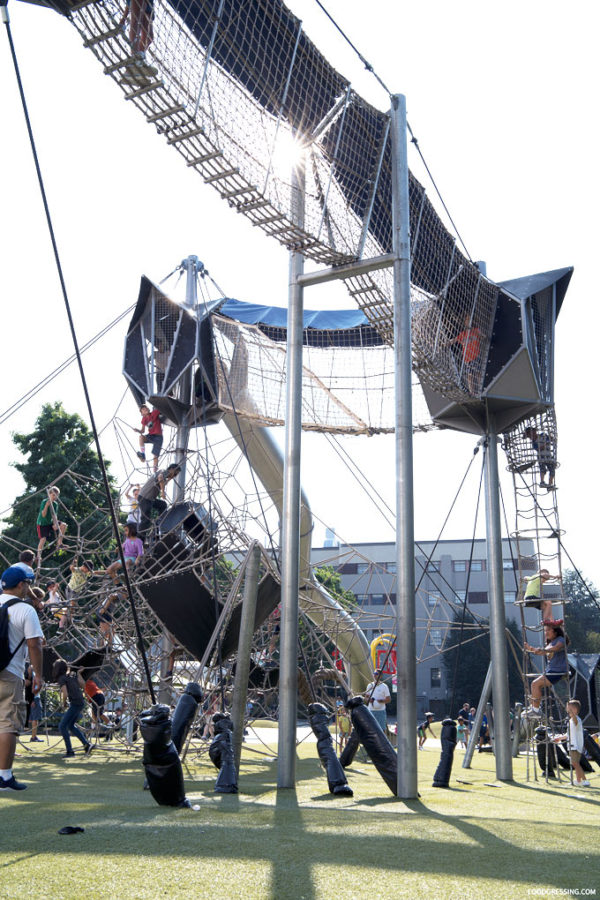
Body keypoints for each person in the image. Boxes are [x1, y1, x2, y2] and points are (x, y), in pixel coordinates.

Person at [0, 565, 44, 791]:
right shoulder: (25, 610)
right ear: (20, 585)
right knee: (7, 724)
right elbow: (34, 644)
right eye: (27, 583)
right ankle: (5, 777)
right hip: (10, 672)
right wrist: (38, 674)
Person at [524, 623, 569, 717]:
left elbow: (555, 648)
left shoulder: (561, 640)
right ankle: (535, 708)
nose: (546, 633)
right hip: (551, 670)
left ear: (555, 632)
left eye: (548, 630)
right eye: (545, 631)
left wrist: (543, 650)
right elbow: (542, 652)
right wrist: (531, 648)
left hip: (557, 671)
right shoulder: (550, 643)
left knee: (535, 684)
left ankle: (536, 710)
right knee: (535, 685)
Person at [52, 660, 92, 758]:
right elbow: (83, 685)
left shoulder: (62, 678)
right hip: (80, 702)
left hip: (75, 703)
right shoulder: (71, 676)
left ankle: (70, 751)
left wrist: (64, 703)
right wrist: (79, 673)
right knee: (70, 725)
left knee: (62, 726)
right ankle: (86, 745)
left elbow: (65, 693)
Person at [137, 463, 181, 542]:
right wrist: (163, 492)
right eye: (175, 474)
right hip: (145, 498)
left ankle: (159, 525)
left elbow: (162, 481)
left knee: (162, 505)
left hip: (150, 499)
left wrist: (169, 479)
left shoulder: (165, 475)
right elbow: (160, 477)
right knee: (146, 520)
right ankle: (139, 541)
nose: (174, 476)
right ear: (171, 469)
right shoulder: (164, 471)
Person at [553, 699, 589, 787]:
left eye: (570, 708)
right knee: (575, 763)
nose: (568, 709)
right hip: (572, 745)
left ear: (575, 710)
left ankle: (585, 780)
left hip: (576, 746)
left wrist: (572, 712)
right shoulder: (571, 720)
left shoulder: (576, 719)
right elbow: (568, 734)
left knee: (575, 763)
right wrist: (559, 738)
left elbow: (575, 721)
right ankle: (578, 780)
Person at [454, 314, 483, 395]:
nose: (468, 321)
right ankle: (472, 392)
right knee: (470, 375)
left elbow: (481, 335)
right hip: (467, 358)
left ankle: (481, 389)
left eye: (470, 319)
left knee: (478, 373)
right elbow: (455, 339)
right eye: (467, 320)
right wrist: (447, 343)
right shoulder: (463, 334)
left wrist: (483, 336)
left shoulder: (476, 330)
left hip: (475, 355)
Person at [36, 486, 67, 558]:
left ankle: (59, 543)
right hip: (43, 523)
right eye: (53, 495)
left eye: (56, 495)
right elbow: (43, 515)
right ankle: (38, 556)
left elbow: (54, 515)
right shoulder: (44, 502)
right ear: (49, 494)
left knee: (63, 525)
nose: (55, 497)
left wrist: (55, 524)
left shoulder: (55, 504)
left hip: (50, 522)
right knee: (43, 539)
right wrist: (46, 506)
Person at [136, 404, 163, 471]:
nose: (145, 409)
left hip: (158, 437)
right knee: (141, 437)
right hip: (151, 436)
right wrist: (137, 430)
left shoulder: (154, 413)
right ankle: (143, 455)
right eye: (143, 409)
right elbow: (142, 431)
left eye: (146, 408)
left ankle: (155, 469)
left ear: (148, 409)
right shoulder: (144, 419)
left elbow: (160, 408)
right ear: (142, 414)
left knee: (155, 455)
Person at [24, 662, 43, 742]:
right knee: (35, 718)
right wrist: (32, 700)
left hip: (33, 698)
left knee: (33, 718)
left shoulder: (31, 676)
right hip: (35, 698)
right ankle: (33, 737)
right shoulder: (33, 676)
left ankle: (34, 736)